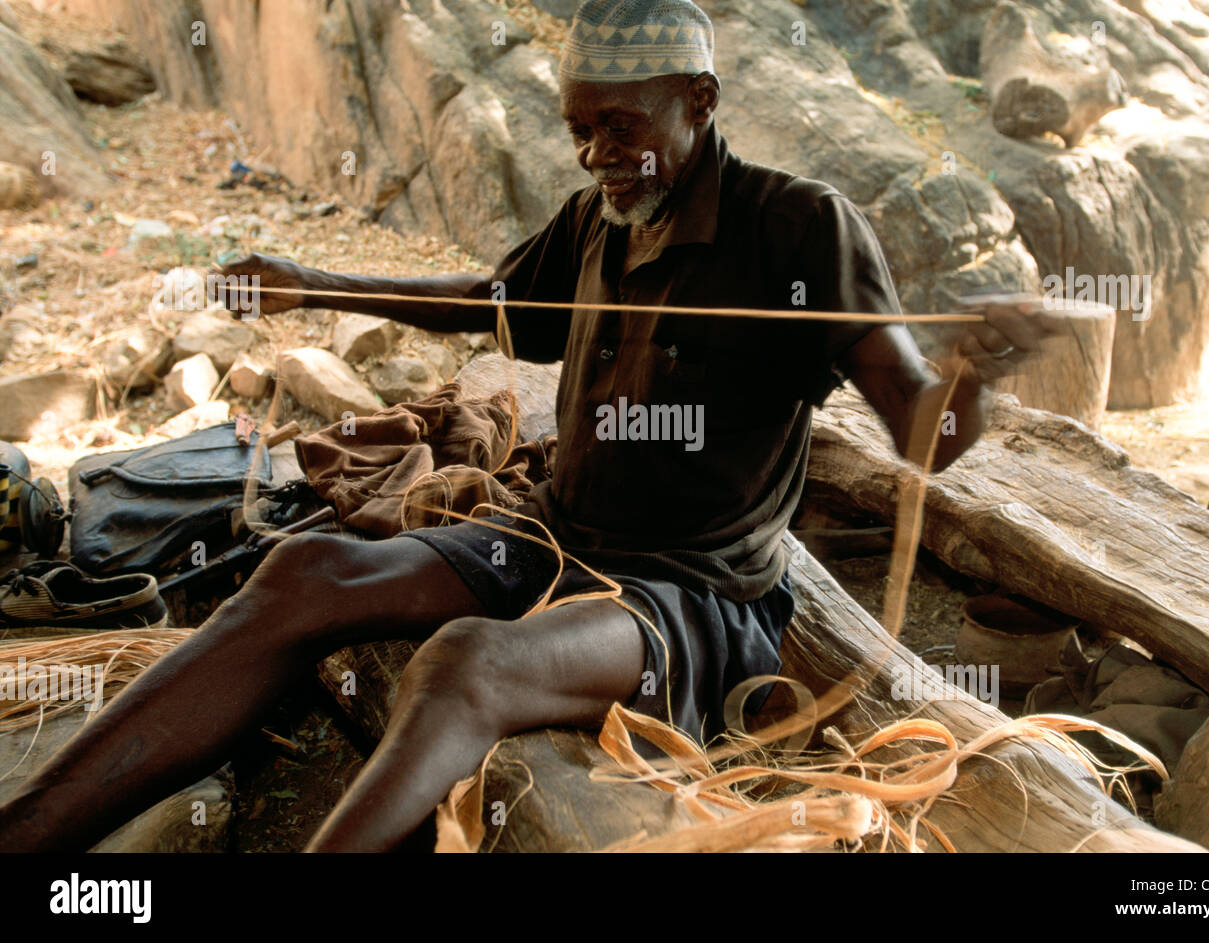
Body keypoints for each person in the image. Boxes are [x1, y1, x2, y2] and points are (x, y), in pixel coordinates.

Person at [0, 0, 1054, 852]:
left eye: (621, 129)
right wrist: (308, 285)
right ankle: (31, 829)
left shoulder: (800, 227)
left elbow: (927, 433)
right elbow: (498, 304)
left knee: (468, 662)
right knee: (302, 570)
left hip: (690, 599)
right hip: (552, 537)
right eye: (580, 131)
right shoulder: (604, 214)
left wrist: (979, 366)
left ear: (699, 100)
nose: (597, 154)